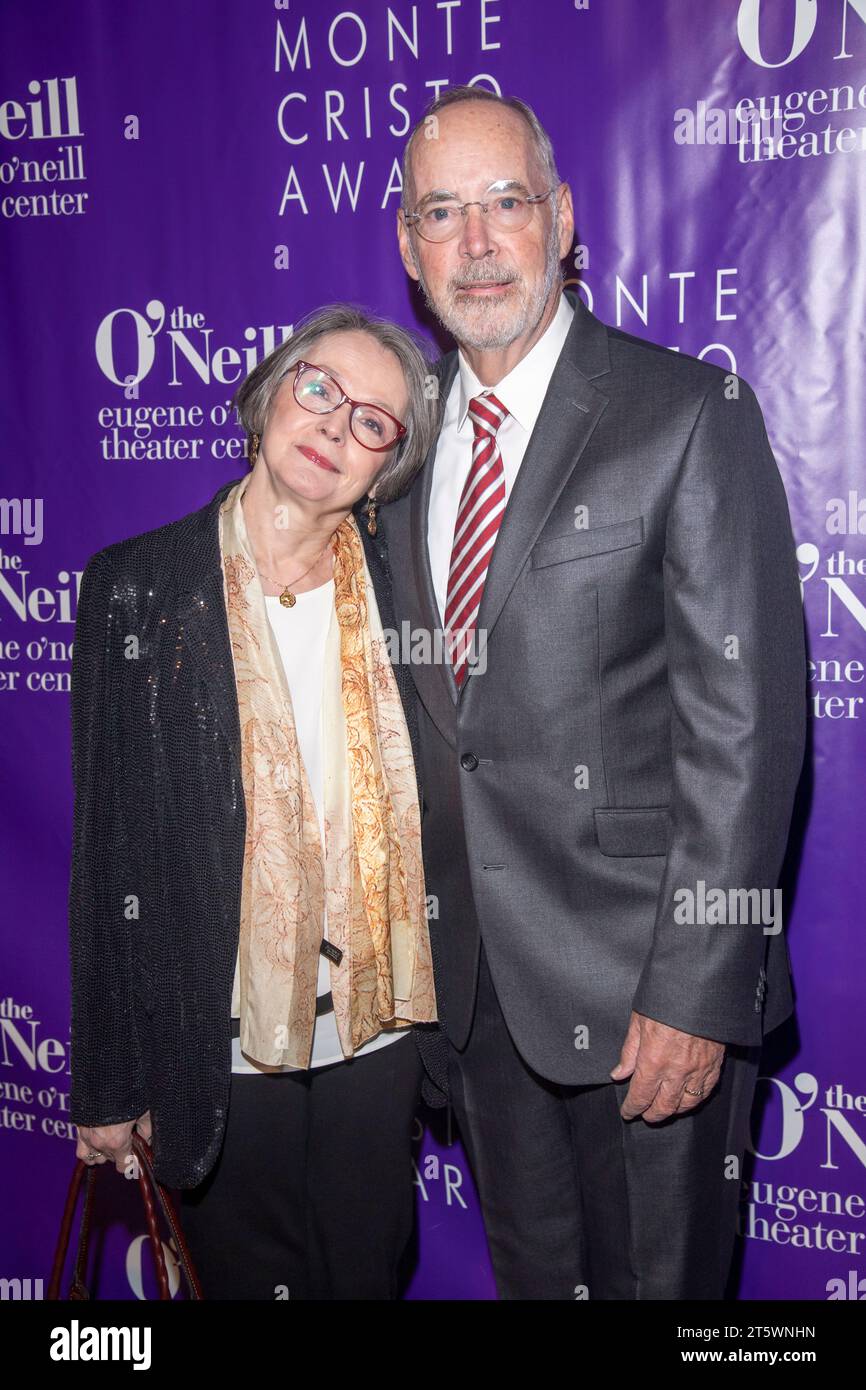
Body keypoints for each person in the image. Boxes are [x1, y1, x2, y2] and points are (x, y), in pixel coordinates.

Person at [384, 85, 807, 1299]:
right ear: (408, 251)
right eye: (440, 213)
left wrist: (694, 990)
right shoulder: (401, 453)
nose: (475, 244)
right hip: (475, 1004)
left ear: (561, 220)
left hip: (643, 1000)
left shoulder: (682, 415)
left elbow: (747, 732)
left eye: (504, 204)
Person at [67, 303, 449, 1300]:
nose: (334, 425)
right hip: (218, 1035)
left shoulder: (417, 599)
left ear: (389, 468)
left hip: (380, 1029)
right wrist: (109, 1081)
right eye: (318, 387)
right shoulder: (134, 589)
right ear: (265, 393)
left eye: (373, 420)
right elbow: (107, 851)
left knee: (365, 1275)